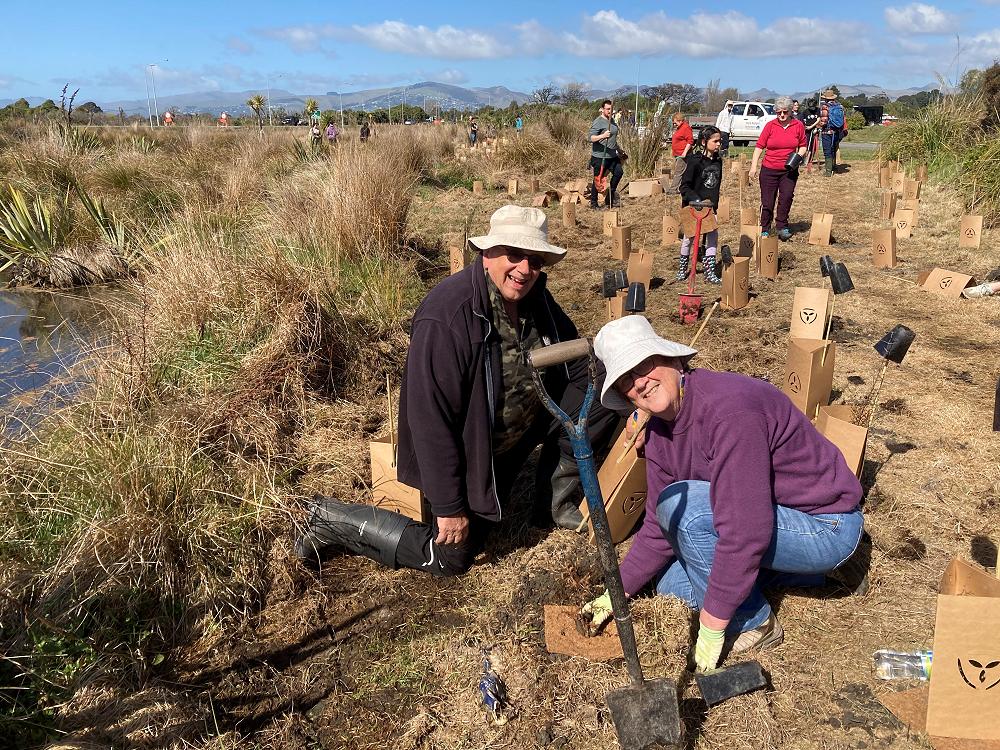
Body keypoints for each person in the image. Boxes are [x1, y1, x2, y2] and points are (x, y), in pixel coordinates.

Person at [294, 206, 618, 576]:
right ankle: (326, 517)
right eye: (514, 255)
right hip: (471, 448)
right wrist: (449, 506)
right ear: (488, 252)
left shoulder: (536, 300)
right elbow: (429, 420)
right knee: (453, 557)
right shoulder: (448, 315)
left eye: (535, 260)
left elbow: (578, 361)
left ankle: (550, 504)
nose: (525, 269)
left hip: (522, 426)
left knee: (604, 400)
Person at [581, 315, 865, 672]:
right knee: (670, 586)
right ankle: (800, 575)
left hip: (825, 523)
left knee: (685, 510)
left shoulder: (730, 411)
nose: (640, 383)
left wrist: (714, 625)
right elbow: (655, 525)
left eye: (644, 365)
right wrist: (616, 592)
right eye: (626, 380)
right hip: (768, 517)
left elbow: (745, 530)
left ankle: (755, 622)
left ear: (673, 359)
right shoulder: (659, 434)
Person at [749, 96, 806, 241]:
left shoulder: (798, 125)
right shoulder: (770, 126)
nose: (781, 115)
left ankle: (782, 226)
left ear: (791, 111)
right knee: (768, 201)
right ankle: (765, 228)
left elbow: (803, 146)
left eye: (785, 112)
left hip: (789, 170)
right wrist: (753, 167)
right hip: (769, 169)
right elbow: (759, 146)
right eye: (778, 112)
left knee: (786, 197)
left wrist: (798, 157)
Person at [677, 125, 723, 285]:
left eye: (720, 141)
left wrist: (713, 205)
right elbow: (684, 186)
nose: (718, 144)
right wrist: (696, 201)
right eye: (715, 141)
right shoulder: (694, 162)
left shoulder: (718, 162)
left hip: (710, 208)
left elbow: (716, 186)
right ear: (704, 142)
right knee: (689, 239)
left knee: (712, 238)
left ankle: (710, 272)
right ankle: (683, 269)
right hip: (693, 206)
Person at [589, 100, 624, 209]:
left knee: (619, 172)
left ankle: (610, 197)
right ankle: (594, 203)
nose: (610, 111)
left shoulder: (612, 121)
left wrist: (619, 149)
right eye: (607, 109)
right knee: (598, 180)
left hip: (612, 155)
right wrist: (603, 136)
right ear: (603, 109)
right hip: (600, 156)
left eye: (611, 109)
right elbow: (590, 138)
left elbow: (613, 138)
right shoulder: (598, 121)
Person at [820, 90, 847, 177]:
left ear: (825, 99)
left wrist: (818, 126)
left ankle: (828, 171)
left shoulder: (825, 107)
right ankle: (834, 167)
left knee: (827, 151)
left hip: (827, 132)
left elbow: (824, 121)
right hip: (837, 132)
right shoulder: (840, 106)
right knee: (833, 149)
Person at [668, 112, 694, 194]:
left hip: (683, 155)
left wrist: (684, 153)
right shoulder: (680, 128)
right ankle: (681, 188)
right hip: (678, 154)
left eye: (675, 122)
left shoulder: (686, 128)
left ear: (680, 120)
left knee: (678, 172)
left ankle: (673, 189)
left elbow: (690, 141)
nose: (674, 124)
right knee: (682, 171)